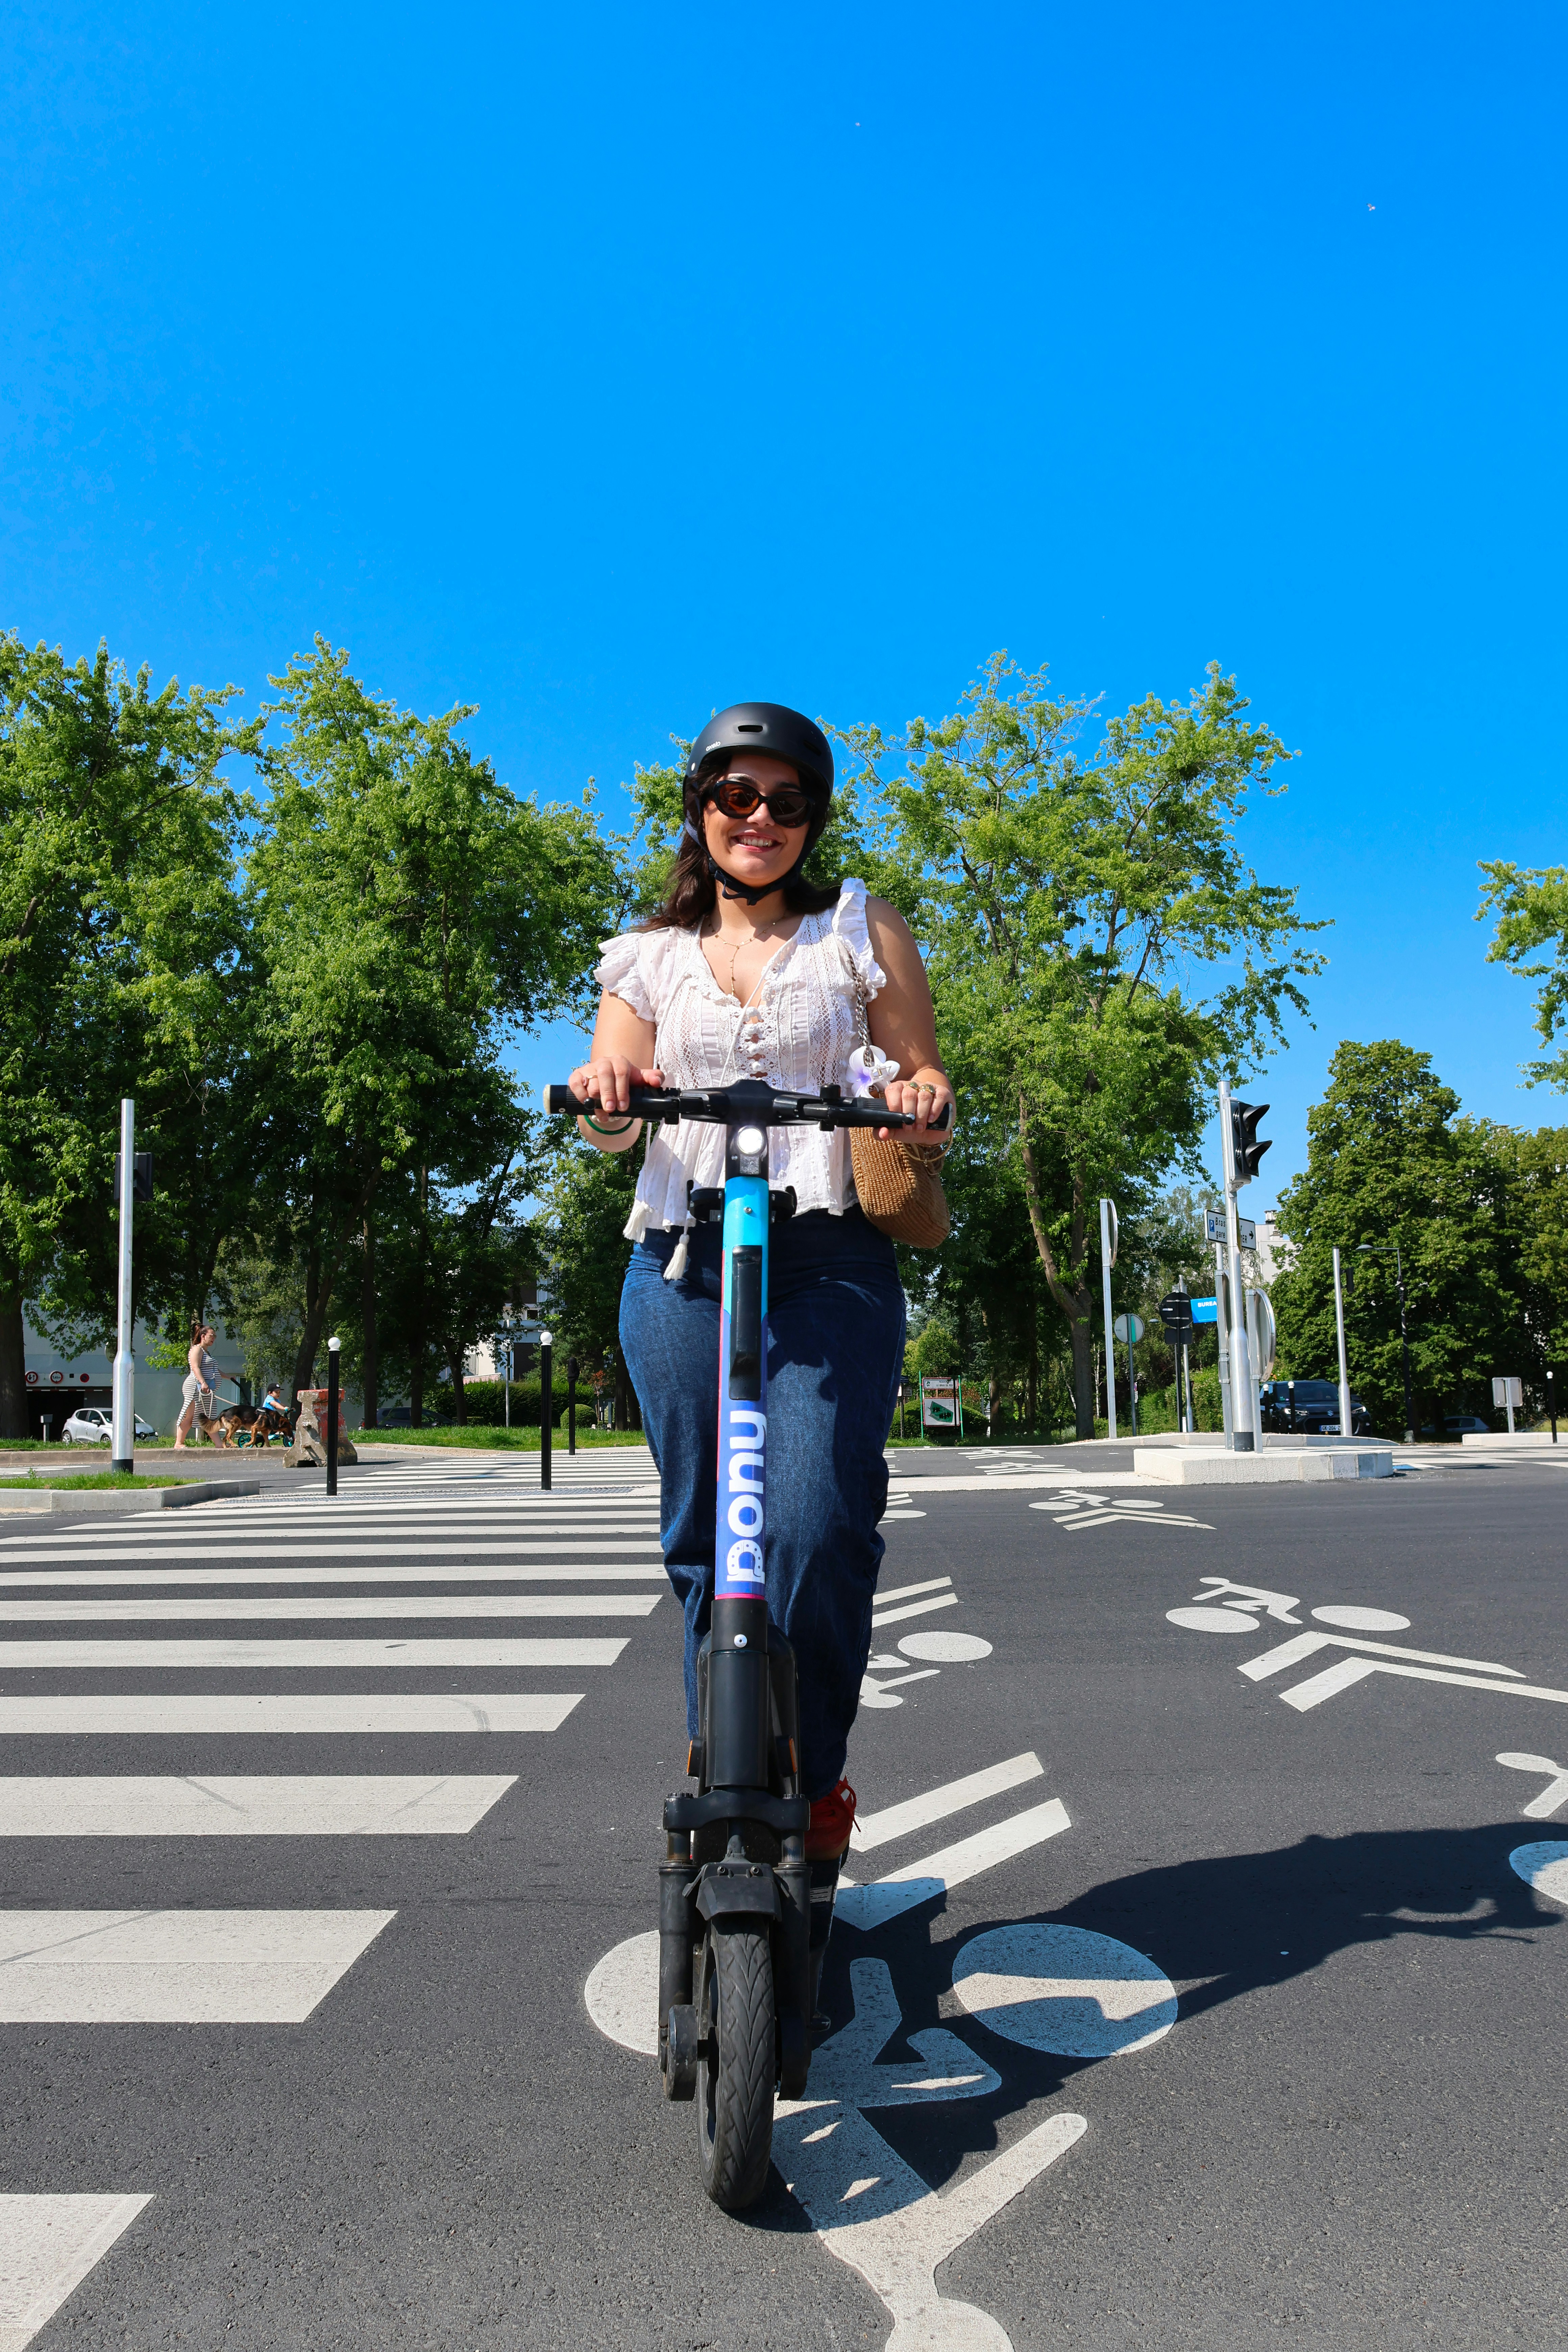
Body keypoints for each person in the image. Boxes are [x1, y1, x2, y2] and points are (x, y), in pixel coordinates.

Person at [569, 701, 955, 1864]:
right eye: (736, 796)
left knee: (815, 1524)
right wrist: (603, 1097)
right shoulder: (646, 956)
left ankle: (813, 1779)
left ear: (811, 821)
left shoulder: (858, 929)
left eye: (787, 803)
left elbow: (918, 1062)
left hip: (828, 1258)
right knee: (707, 1538)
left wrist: (921, 1097)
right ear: (700, 810)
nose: (760, 820)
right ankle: (723, 1763)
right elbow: (614, 1096)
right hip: (682, 1260)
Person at [173, 1323, 231, 1449]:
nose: (214, 1339)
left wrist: (228, 1377)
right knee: (189, 1415)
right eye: (212, 1336)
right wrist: (203, 1382)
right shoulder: (197, 1349)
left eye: (215, 1336)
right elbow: (195, 1367)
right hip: (195, 1386)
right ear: (203, 1336)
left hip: (205, 1390)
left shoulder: (207, 1353)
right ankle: (179, 1443)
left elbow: (214, 1370)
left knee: (208, 1416)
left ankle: (219, 1445)